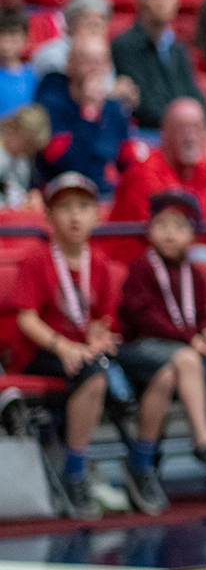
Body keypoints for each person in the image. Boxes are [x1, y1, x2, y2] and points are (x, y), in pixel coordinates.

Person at [116, 190, 206, 488]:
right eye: (162, 225)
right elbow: (143, 318)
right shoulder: (141, 268)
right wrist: (190, 339)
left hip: (185, 345)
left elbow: (202, 313)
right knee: (186, 360)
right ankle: (202, 438)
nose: (170, 234)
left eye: (179, 227)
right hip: (146, 345)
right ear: (149, 229)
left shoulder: (194, 273)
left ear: (192, 235)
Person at [10, 173, 132, 514]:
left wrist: (99, 335)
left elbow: (103, 319)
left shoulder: (102, 264)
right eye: (64, 208)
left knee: (103, 368)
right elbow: (26, 319)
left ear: (97, 215)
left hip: (82, 353)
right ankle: (76, 473)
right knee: (92, 374)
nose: (75, 216)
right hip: (40, 352)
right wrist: (63, 346)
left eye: (83, 207)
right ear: (48, 217)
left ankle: (100, 468)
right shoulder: (38, 260)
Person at [105, 96, 206, 260]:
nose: (190, 137)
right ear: (165, 133)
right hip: (138, 268)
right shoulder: (144, 172)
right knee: (200, 256)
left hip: (187, 265)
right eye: (183, 128)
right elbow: (176, 240)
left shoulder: (205, 169)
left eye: (197, 128)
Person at [113, 0, 206, 131]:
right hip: (153, 133)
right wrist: (187, 125)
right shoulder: (125, 45)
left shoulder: (179, 49)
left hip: (184, 131)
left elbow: (193, 93)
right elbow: (144, 107)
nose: (163, 0)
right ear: (140, 0)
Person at [35, 32, 129, 192]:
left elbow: (126, 161)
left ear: (108, 66)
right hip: (65, 197)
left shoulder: (114, 108)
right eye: (87, 60)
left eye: (100, 61)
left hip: (106, 196)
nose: (94, 67)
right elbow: (69, 167)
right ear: (69, 64)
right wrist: (89, 113)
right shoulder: (51, 104)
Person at [0, 103, 50, 206]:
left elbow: (17, 191)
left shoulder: (23, 161)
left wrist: (28, 198)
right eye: (26, 145)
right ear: (13, 129)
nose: (27, 152)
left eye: (32, 149)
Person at [0, 9, 36, 117]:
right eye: (2, 36)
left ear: (24, 38)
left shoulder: (34, 75)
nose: (6, 44)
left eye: (13, 37)